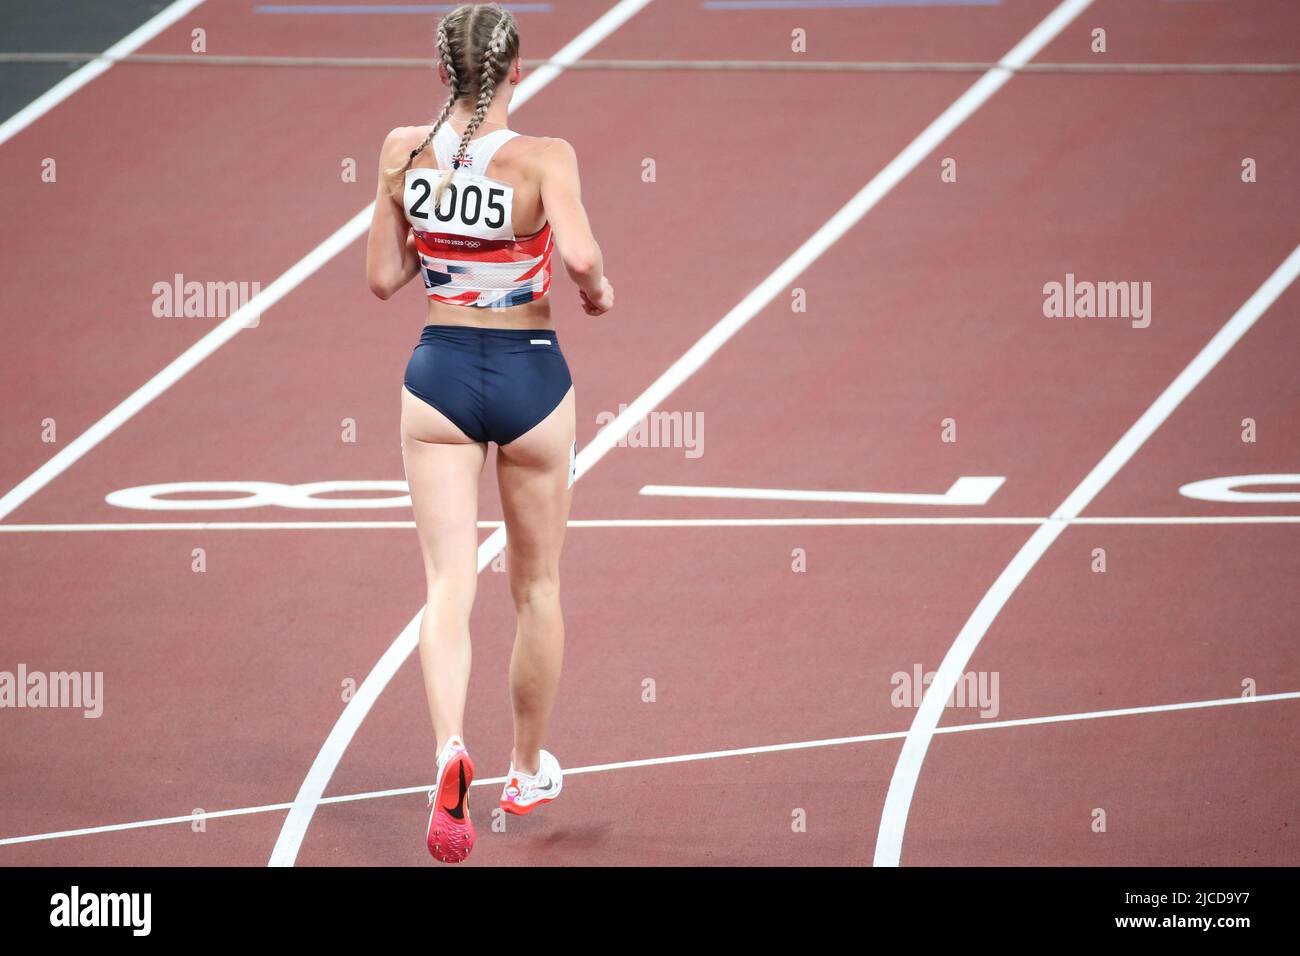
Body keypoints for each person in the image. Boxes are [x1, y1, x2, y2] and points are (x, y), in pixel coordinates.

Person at [364, 1, 613, 864]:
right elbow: (578, 255)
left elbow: (382, 278)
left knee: (446, 584)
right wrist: (598, 291)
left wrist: (397, 191)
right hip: (531, 375)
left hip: (436, 378)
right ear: (516, 71)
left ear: (444, 74)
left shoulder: (403, 150)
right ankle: (525, 766)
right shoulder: (546, 157)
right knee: (536, 586)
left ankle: (447, 751)